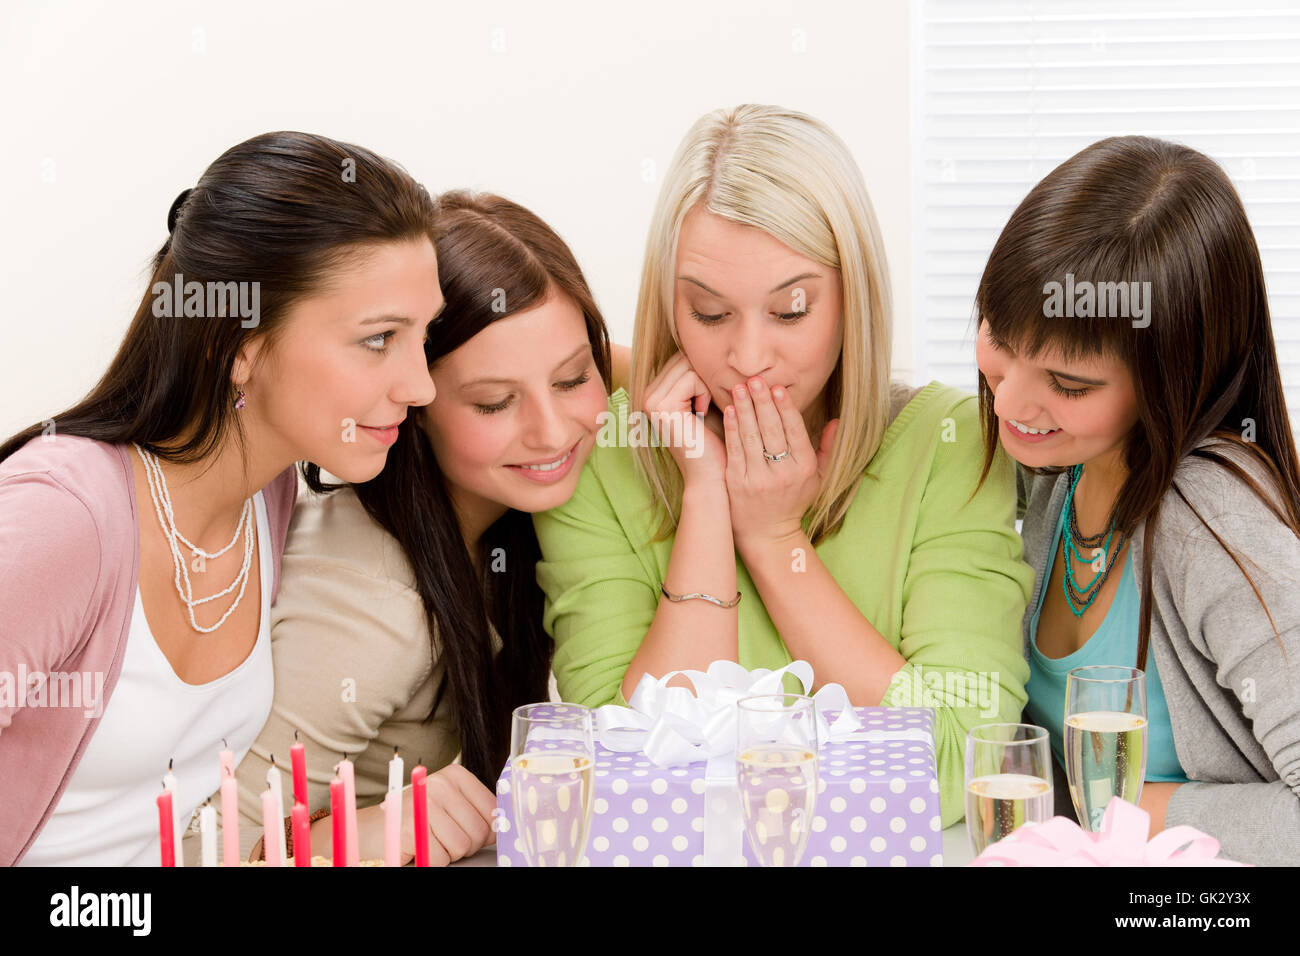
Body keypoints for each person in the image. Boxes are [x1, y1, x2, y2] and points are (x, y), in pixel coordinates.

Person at [533, 104, 1033, 827]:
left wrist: (774, 541)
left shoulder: (949, 443)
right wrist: (706, 496)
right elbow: (621, 773)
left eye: (791, 310)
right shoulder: (598, 452)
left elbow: (959, 765)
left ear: (852, 298)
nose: (748, 357)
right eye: (708, 314)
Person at [0, 131, 442, 866]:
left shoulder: (267, 498)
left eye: (422, 336)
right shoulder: (61, 519)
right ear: (238, 345)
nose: (419, 384)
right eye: (378, 339)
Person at [231, 190, 617, 865]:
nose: (553, 432)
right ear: (413, 399)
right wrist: (361, 837)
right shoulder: (378, 604)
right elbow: (202, 844)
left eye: (573, 378)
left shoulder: (497, 521)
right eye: (494, 402)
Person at [974, 135, 1300, 866]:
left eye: (1070, 383)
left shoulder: (1212, 523)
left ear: (1172, 377)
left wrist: (1117, 808)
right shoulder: (1059, 473)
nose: (1011, 401)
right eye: (1000, 339)